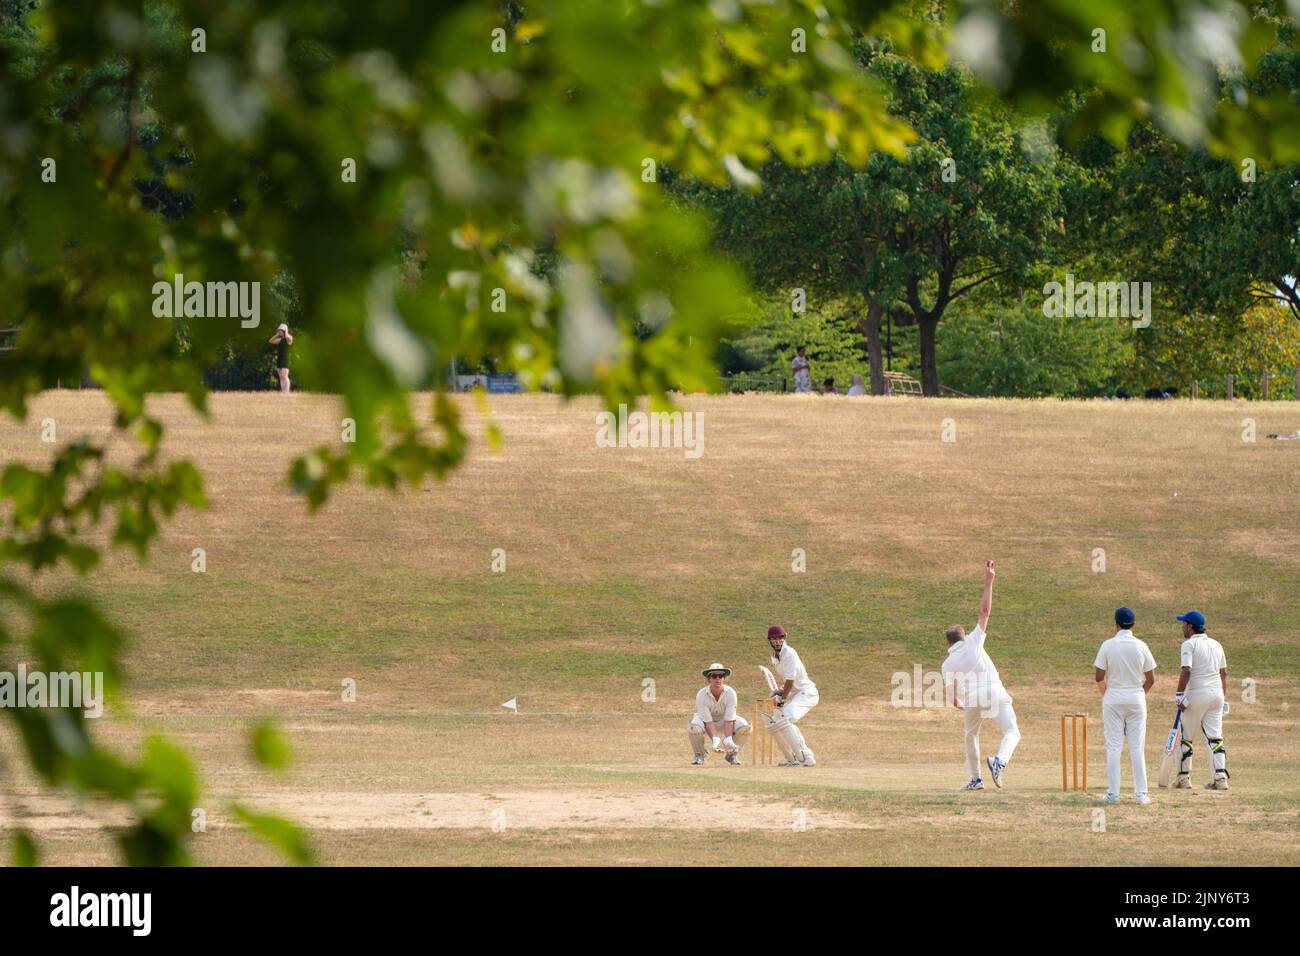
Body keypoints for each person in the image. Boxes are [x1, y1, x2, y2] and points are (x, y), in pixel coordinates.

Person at [940, 560, 1020, 791]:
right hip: (994, 690)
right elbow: (985, 612)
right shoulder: (974, 640)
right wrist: (988, 581)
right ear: (964, 637)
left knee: (970, 735)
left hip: (973, 699)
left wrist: (966, 707)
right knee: (1012, 731)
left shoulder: (947, 664)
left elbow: (953, 700)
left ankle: (976, 780)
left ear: (948, 643)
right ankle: (1000, 761)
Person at [1094, 607, 1157, 804]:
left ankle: (1113, 795)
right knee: (1137, 747)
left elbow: (1099, 676)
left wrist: (1107, 695)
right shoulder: (1141, 646)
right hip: (1136, 699)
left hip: (1113, 698)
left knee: (1114, 747)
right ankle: (1141, 795)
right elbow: (1151, 679)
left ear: (1116, 624)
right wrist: (1139, 694)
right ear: (1134, 624)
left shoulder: (1108, 645)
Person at [1172, 611, 1229, 790]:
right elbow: (1223, 673)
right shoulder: (1217, 644)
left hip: (1197, 694)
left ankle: (1183, 778)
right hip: (1217, 695)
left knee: (1186, 737)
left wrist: (1180, 694)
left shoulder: (1189, 644)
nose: (1182, 627)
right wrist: (1223, 697)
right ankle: (1220, 778)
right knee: (1215, 738)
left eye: (1184, 623)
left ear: (1190, 626)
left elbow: (1186, 670)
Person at [765, 625, 818, 766]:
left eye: (780, 638)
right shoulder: (774, 656)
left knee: (785, 718)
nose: (777, 641)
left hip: (807, 693)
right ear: (769, 640)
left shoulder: (790, 654)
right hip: (796, 693)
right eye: (774, 638)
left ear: (785, 637)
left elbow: (790, 680)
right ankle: (793, 758)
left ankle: (807, 757)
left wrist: (782, 699)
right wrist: (781, 691)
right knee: (778, 722)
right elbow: (788, 681)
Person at [688, 663, 750, 765]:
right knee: (694, 727)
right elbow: (708, 721)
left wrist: (728, 739)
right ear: (709, 679)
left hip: (724, 721)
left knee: (744, 726)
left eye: (720, 676)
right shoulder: (701, 694)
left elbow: (729, 719)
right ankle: (699, 755)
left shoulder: (731, 693)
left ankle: (732, 755)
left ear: (724, 678)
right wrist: (714, 740)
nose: (718, 679)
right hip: (705, 721)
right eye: (714, 676)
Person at [269, 323, 294, 393]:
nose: (279, 332)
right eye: (278, 330)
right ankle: (283, 392)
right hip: (279, 359)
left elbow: (289, 338)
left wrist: (286, 332)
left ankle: (287, 391)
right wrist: (277, 335)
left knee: (284, 375)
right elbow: (271, 341)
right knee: (281, 376)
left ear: (284, 331)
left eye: (280, 330)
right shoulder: (280, 340)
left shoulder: (289, 338)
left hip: (285, 359)